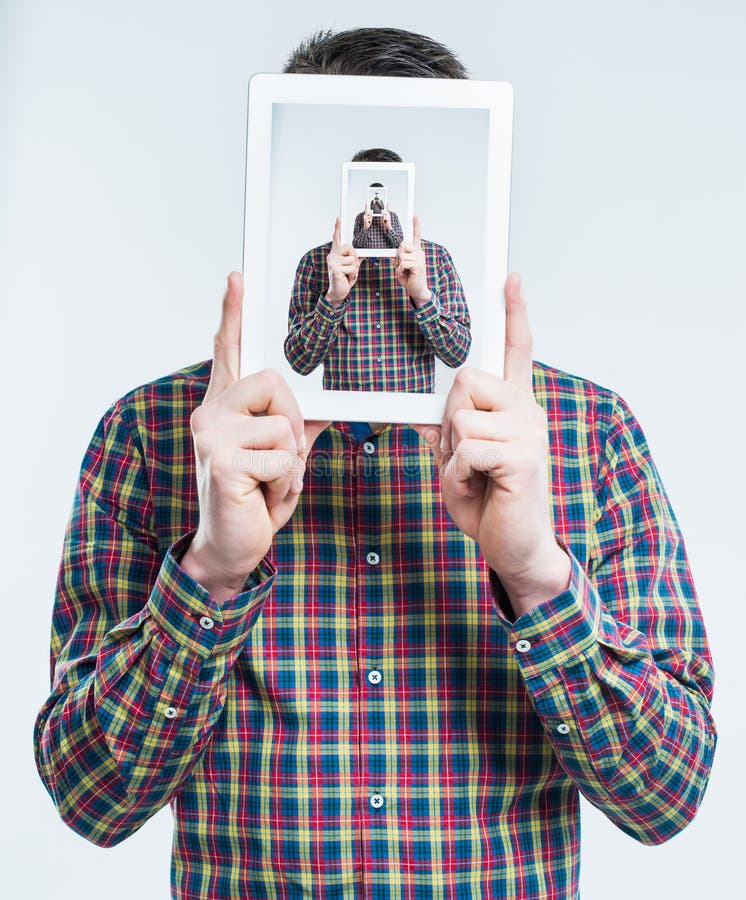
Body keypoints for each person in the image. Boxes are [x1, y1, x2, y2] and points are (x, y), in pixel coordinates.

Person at [33, 26, 717, 900]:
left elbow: (669, 796)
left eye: (389, 195)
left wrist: (537, 575)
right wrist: (210, 573)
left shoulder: (585, 431)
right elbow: (91, 801)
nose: (376, 213)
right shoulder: (155, 432)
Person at [284, 153, 471, 393]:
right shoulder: (318, 262)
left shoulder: (434, 258)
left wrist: (422, 296)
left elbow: (457, 354)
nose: (378, 206)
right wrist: (332, 299)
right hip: (340, 425)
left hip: (410, 425)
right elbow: (300, 362)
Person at [353, 179, 403, 248]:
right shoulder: (360, 217)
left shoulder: (393, 216)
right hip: (367, 258)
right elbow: (356, 246)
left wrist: (389, 227)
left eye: (379, 198)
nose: (376, 200)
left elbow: (399, 245)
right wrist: (365, 228)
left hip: (387, 258)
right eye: (373, 197)